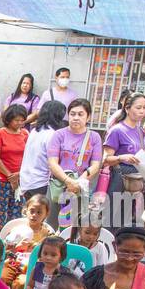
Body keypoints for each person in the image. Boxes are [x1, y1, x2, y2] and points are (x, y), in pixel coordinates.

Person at [46, 98, 102, 234]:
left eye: (80, 114)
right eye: (72, 114)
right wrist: (68, 181)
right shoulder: (59, 135)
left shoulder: (94, 137)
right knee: (50, 225)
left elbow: (96, 164)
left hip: (80, 187)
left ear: (88, 117)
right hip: (58, 186)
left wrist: (79, 182)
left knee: (74, 227)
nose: (76, 117)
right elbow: (53, 162)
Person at [17, 99, 68, 203]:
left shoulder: (35, 131)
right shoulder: (52, 135)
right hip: (40, 183)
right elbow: (53, 162)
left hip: (26, 181)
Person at [0, 104, 30, 225]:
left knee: (16, 215)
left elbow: (28, 157)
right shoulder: (0, 133)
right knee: (0, 214)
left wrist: (18, 175)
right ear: (9, 119)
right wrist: (10, 176)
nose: (19, 123)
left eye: (22, 120)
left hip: (20, 179)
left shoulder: (25, 134)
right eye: (16, 120)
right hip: (2, 179)